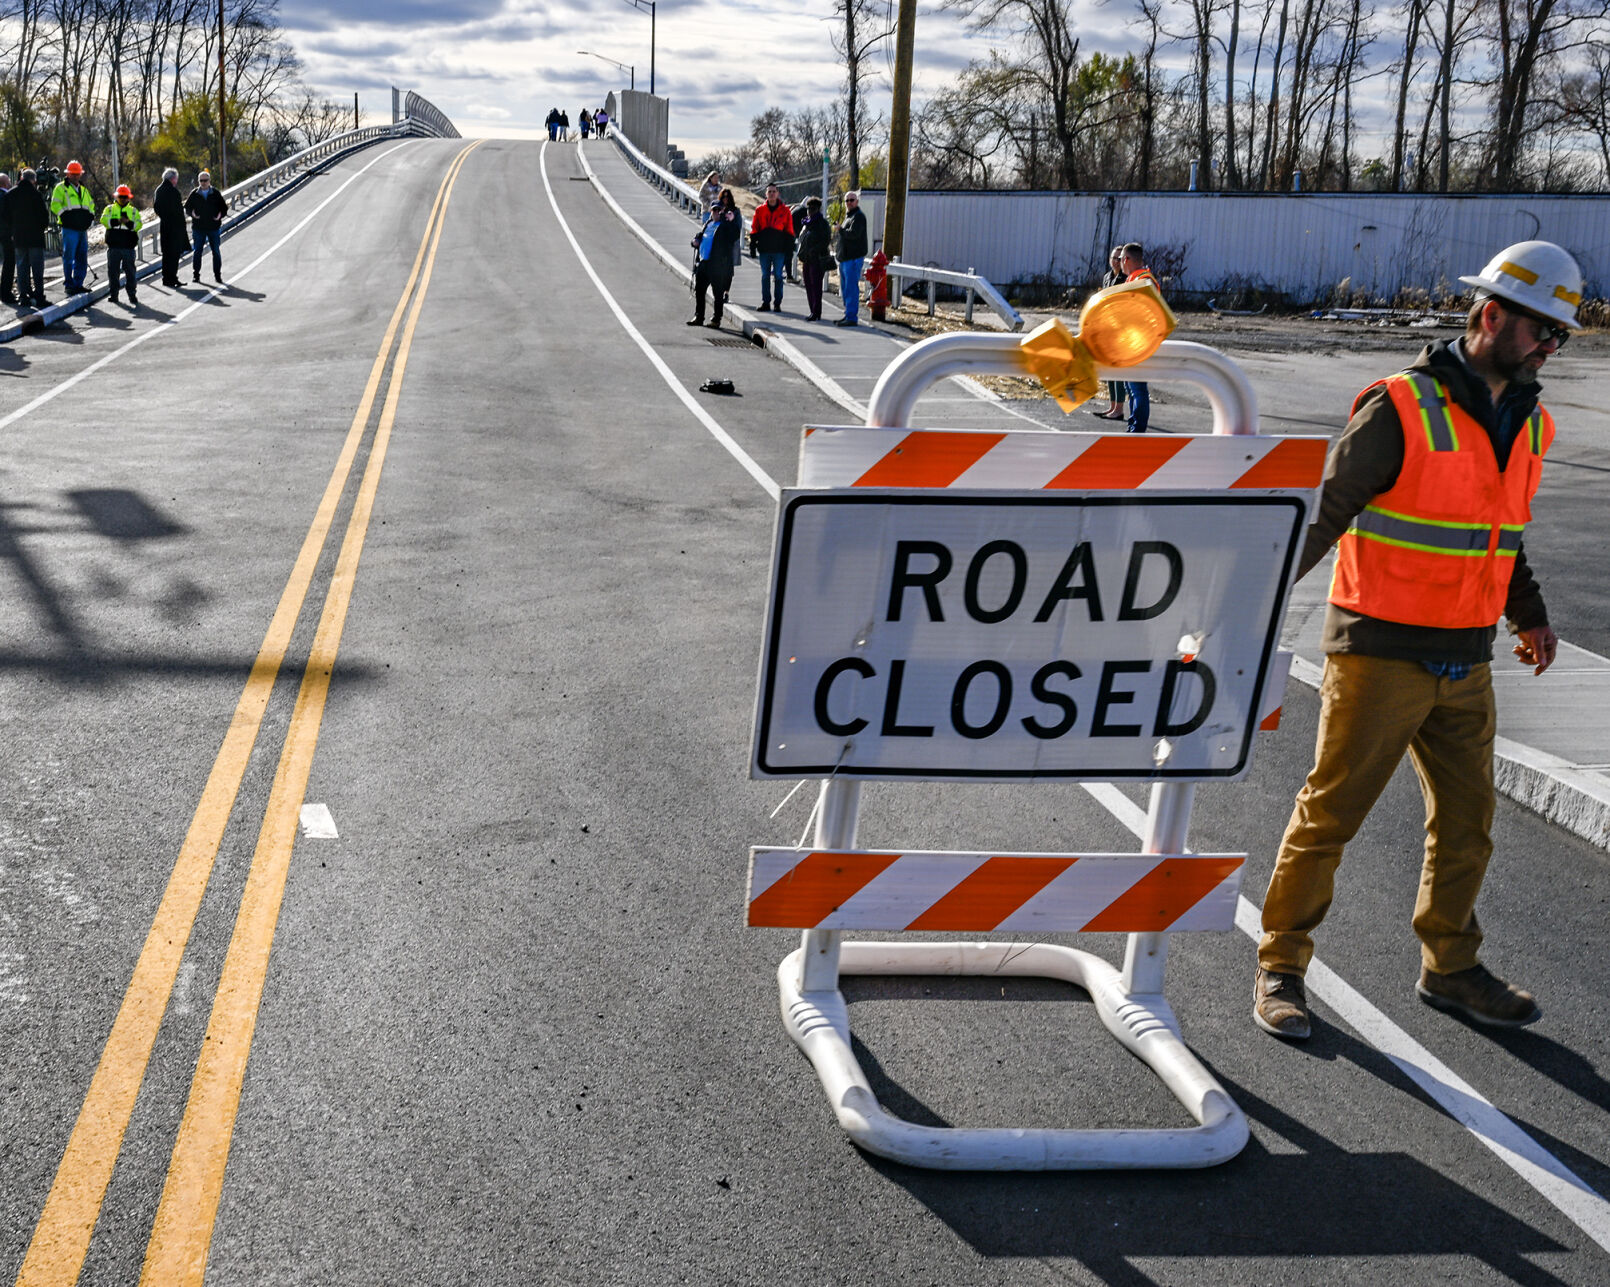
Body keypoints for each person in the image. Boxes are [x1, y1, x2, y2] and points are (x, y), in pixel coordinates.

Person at [1252, 239, 1578, 1042]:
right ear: (1490, 315)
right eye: (1541, 329)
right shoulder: (1400, 406)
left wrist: (1526, 611)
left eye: (1560, 336)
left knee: (1468, 823)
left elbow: (1504, 531)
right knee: (1330, 816)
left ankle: (1450, 964)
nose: (1550, 346)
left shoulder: (1531, 424)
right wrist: (1246, 609)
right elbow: (1321, 515)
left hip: (1466, 659)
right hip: (1378, 654)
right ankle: (1280, 964)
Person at [686, 186, 741, 329]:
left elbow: (734, 235)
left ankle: (716, 319)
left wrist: (731, 221)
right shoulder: (708, 224)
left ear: (722, 211)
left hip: (717, 265)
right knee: (699, 291)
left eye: (719, 210)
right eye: (714, 210)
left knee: (718, 294)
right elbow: (701, 236)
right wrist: (695, 241)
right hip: (704, 262)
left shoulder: (725, 226)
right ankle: (699, 316)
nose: (716, 213)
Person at [1120, 242, 1157, 431]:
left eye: (1120, 259)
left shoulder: (1141, 280)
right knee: (1132, 388)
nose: (1119, 263)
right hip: (1136, 340)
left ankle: (1137, 430)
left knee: (1137, 389)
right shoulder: (1140, 278)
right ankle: (1134, 427)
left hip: (1138, 341)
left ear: (1126, 259)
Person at [1092, 246, 1129, 421]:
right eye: (1113, 258)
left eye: (1118, 258)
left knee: (1118, 371)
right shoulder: (1107, 277)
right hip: (1107, 328)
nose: (1115, 261)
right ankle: (1112, 406)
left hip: (1120, 329)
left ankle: (1119, 408)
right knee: (1109, 370)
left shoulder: (1126, 278)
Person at [49, 159, 95, 295]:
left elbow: (91, 206)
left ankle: (78, 283)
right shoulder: (60, 188)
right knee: (69, 257)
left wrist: (90, 218)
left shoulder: (84, 190)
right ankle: (69, 284)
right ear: (68, 174)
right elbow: (54, 205)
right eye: (73, 174)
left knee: (82, 257)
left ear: (80, 174)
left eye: (77, 174)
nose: (75, 176)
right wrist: (65, 217)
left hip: (82, 229)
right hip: (69, 229)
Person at [751, 183, 794, 312]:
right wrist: (753, 246)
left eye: (774, 191)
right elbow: (754, 228)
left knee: (779, 277)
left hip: (779, 250)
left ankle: (777, 303)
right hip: (764, 249)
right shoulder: (760, 210)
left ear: (778, 193)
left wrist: (789, 250)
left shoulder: (785, 210)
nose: (772, 194)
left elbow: (790, 231)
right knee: (765, 276)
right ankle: (766, 302)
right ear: (766, 194)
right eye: (769, 192)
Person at [9, 169, 48, 308]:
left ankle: (23, 296)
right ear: (34, 180)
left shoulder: (12, 194)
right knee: (37, 269)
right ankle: (39, 296)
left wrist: (12, 230)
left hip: (19, 237)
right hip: (35, 238)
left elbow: (5, 215)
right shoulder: (36, 194)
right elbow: (44, 218)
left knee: (21, 268)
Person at [99, 184, 143, 307]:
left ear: (128, 198)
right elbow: (104, 221)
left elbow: (138, 225)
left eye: (125, 197)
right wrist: (118, 221)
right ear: (116, 197)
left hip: (128, 247)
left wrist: (128, 222)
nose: (123, 199)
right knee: (113, 272)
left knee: (130, 272)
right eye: (120, 197)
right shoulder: (109, 209)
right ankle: (114, 295)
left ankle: (132, 294)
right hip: (114, 247)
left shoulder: (133, 211)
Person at [185, 171, 228, 283]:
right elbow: (187, 207)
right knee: (197, 251)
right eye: (201, 181)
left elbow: (224, 208)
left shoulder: (215, 193)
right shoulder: (194, 193)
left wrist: (220, 215)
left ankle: (217, 275)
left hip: (213, 227)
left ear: (209, 181)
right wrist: (192, 214)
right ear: (198, 181)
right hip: (199, 228)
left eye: (205, 180)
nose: (203, 183)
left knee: (216, 252)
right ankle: (196, 275)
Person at [833, 191, 868, 327]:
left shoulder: (859, 217)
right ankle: (848, 314)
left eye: (852, 200)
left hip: (853, 259)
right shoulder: (849, 217)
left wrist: (840, 229)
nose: (849, 203)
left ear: (857, 201)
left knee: (851, 288)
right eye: (847, 200)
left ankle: (852, 317)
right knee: (845, 289)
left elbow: (854, 234)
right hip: (845, 259)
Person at [795, 194, 831, 321]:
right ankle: (812, 311)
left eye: (813, 209)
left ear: (818, 209)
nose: (810, 211)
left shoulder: (822, 224)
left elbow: (826, 240)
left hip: (818, 259)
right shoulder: (806, 223)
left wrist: (814, 250)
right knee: (808, 285)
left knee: (816, 286)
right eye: (808, 208)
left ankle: (816, 312)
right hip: (807, 259)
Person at [153, 168, 187, 288]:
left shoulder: (159, 190)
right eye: (176, 178)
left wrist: (165, 217)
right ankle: (172, 277)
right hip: (175, 227)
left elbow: (156, 207)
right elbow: (178, 211)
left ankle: (166, 278)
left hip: (165, 226)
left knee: (166, 254)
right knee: (174, 254)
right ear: (172, 179)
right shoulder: (173, 191)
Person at [0, 173, 15, 306]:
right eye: (9, 181)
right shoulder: (7, 197)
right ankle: (5, 292)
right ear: (5, 183)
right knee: (9, 262)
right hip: (6, 233)